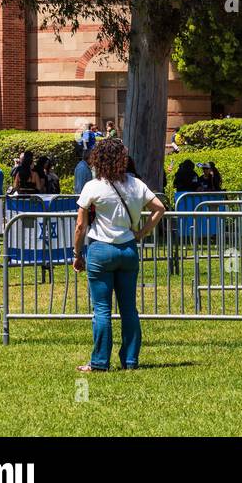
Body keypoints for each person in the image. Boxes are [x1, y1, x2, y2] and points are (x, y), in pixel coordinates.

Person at [72, 137, 166, 372]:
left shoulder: (93, 186)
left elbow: (80, 226)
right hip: (128, 249)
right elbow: (160, 208)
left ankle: (100, 362)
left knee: (102, 309)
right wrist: (142, 232)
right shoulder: (136, 184)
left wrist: (77, 253)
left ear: (99, 160)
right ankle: (131, 360)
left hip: (100, 250)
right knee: (129, 309)